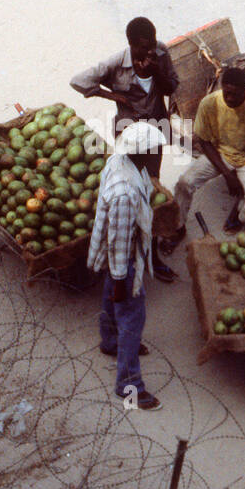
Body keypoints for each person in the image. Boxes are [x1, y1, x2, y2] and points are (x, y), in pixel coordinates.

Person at [70, 16, 181, 282]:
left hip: (154, 130)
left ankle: (152, 252)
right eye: (143, 47)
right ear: (131, 45)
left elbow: (172, 87)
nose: (150, 51)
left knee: (151, 189)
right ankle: (126, 247)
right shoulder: (116, 63)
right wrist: (112, 95)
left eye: (152, 44)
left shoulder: (161, 53)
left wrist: (157, 71)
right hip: (129, 133)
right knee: (130, 189)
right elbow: (79, 81)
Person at [87, 122, 166, 412]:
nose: (160, 155)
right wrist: (122, 280)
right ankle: (129, 384)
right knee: (132, 316)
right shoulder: (124, 192)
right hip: (124, 258)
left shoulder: (122, 162)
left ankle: (109, 341)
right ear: (145, 153)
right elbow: (120, 240)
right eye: (157, 150)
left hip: (119, 255)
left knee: (112, 298)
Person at [167, 68, 245, 240]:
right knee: (184, 182)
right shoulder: (209, 103)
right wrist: (228, 175)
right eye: (227, 93)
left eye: (236, 94)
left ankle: (239, 212)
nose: (230, 99)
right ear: (222, 87)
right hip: (220, 154)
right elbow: (204, 141)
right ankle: (177, 226)